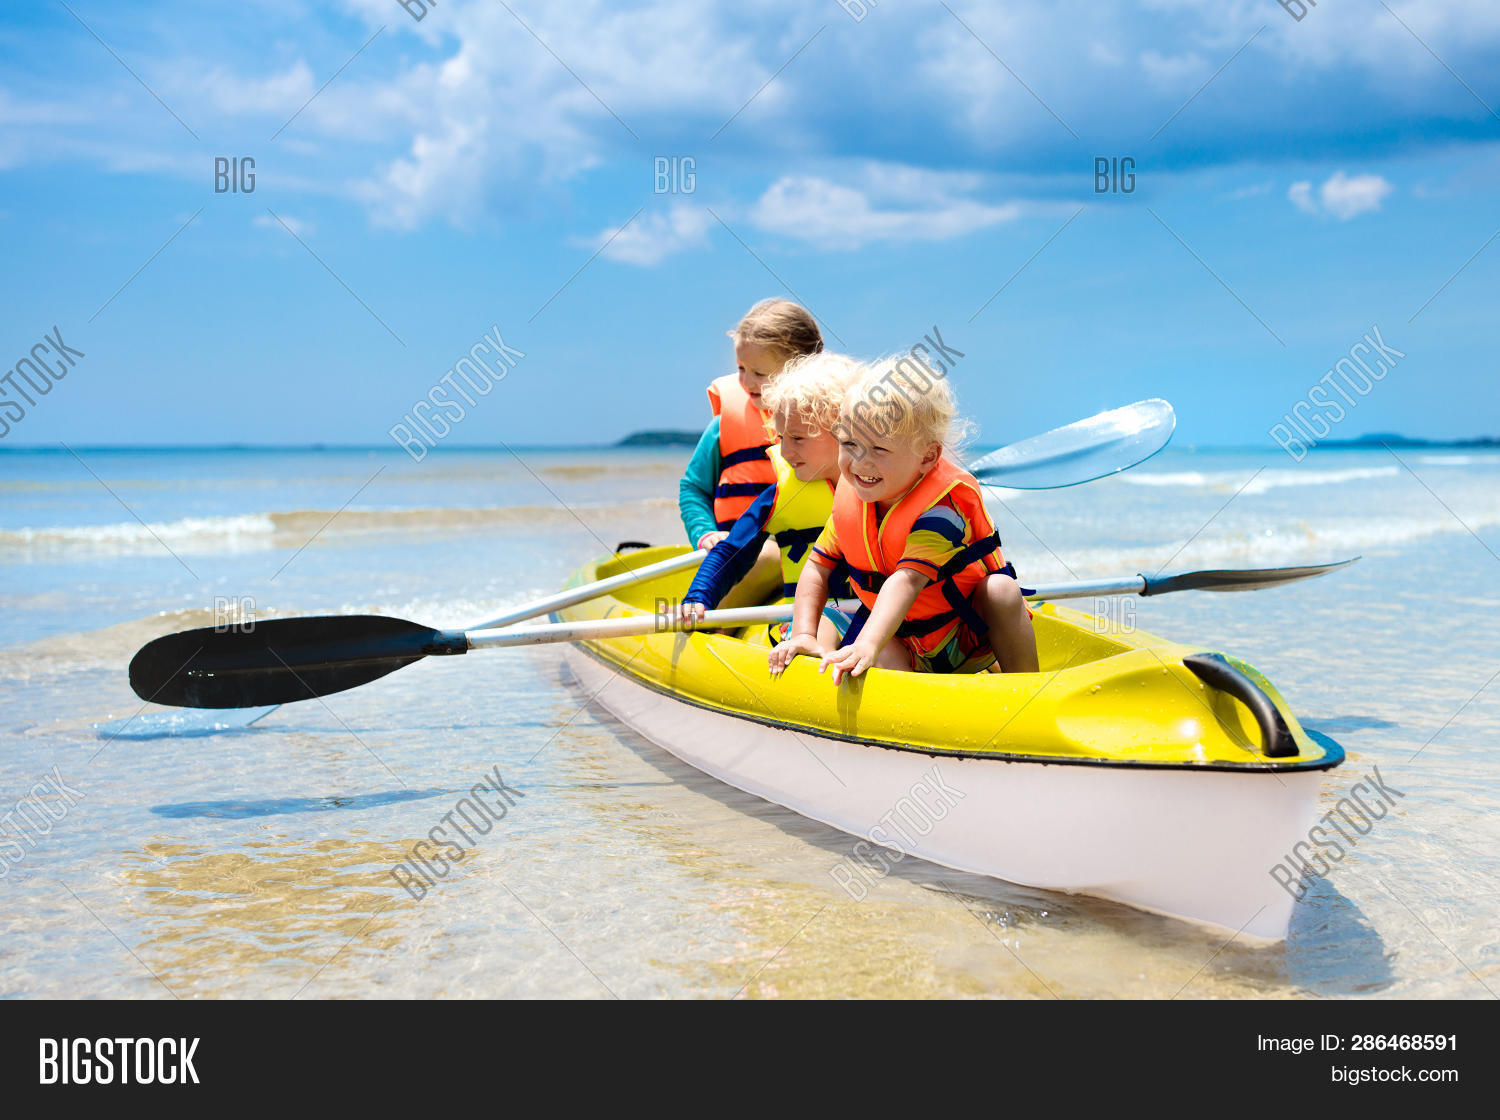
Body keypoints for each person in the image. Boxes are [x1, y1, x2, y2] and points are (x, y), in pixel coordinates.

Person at [769, 357, 1038, 683]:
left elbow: (908, 580)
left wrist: (866, 642)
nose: (859, 463)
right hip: (902, 641)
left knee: (1002, 590)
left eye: (879, 449)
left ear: (927, 457)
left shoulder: (943, 511)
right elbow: (817, 567)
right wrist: (803, 632)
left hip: (963, 638)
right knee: (853, 634)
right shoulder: (853, 501)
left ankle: (1025, 685)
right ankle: (851, 680)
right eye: (849, 444)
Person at [678, 352, 862, 645]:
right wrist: (699, 596)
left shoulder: (883, 487)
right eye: (781, 438)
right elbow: (731, 553)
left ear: (844, 431)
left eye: (798, 439)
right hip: (809, 621)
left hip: (872, 618)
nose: (786, 452)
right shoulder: (778, 495)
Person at [678, 299, 823, 608]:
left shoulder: (828, 428)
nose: (746, 382)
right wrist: (705, 534)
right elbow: (693, 489)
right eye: (741, 369)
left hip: (812, 549)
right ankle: (708, 624)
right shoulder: (724, 426)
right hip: (739, 551)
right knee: (769, 555)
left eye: (760, 373)